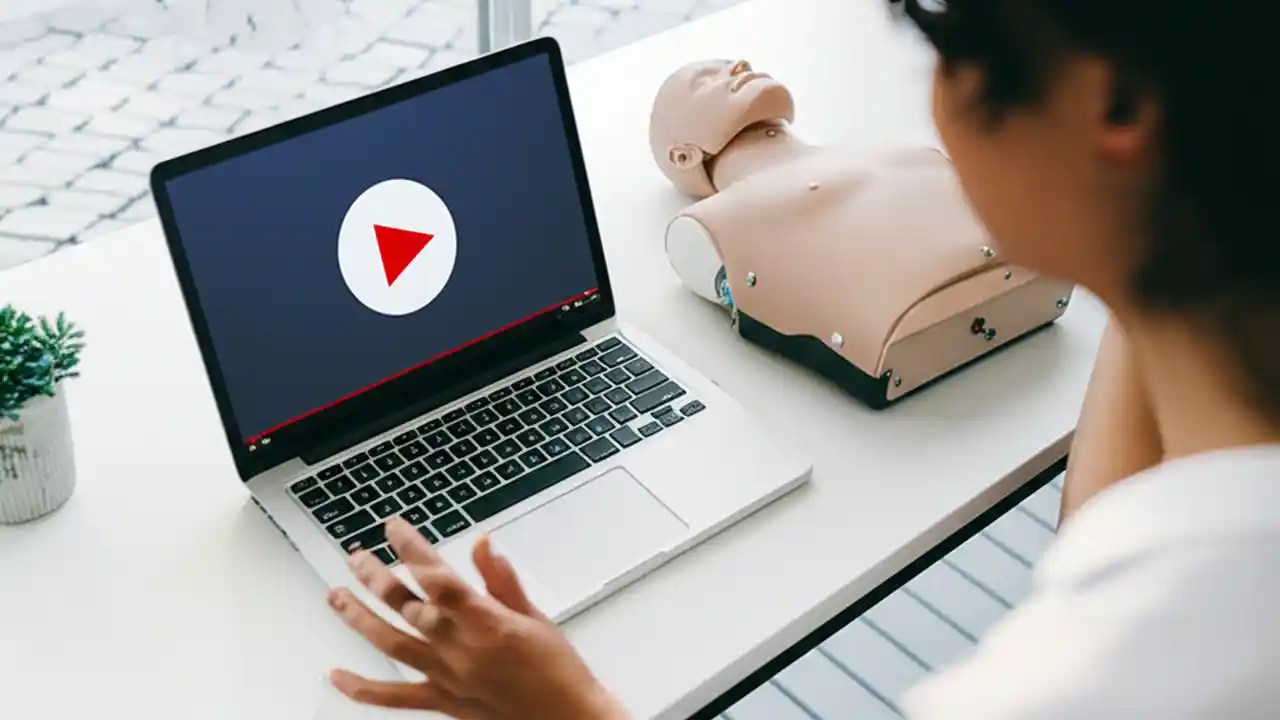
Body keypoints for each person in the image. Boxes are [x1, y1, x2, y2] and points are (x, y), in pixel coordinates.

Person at [322, 1, 1280, 716]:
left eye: (954, 44)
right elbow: (1096, 539)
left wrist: (558, 704)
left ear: (1114, 105)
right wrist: (1136, 264)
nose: (936, 104)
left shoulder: (1101, 680)